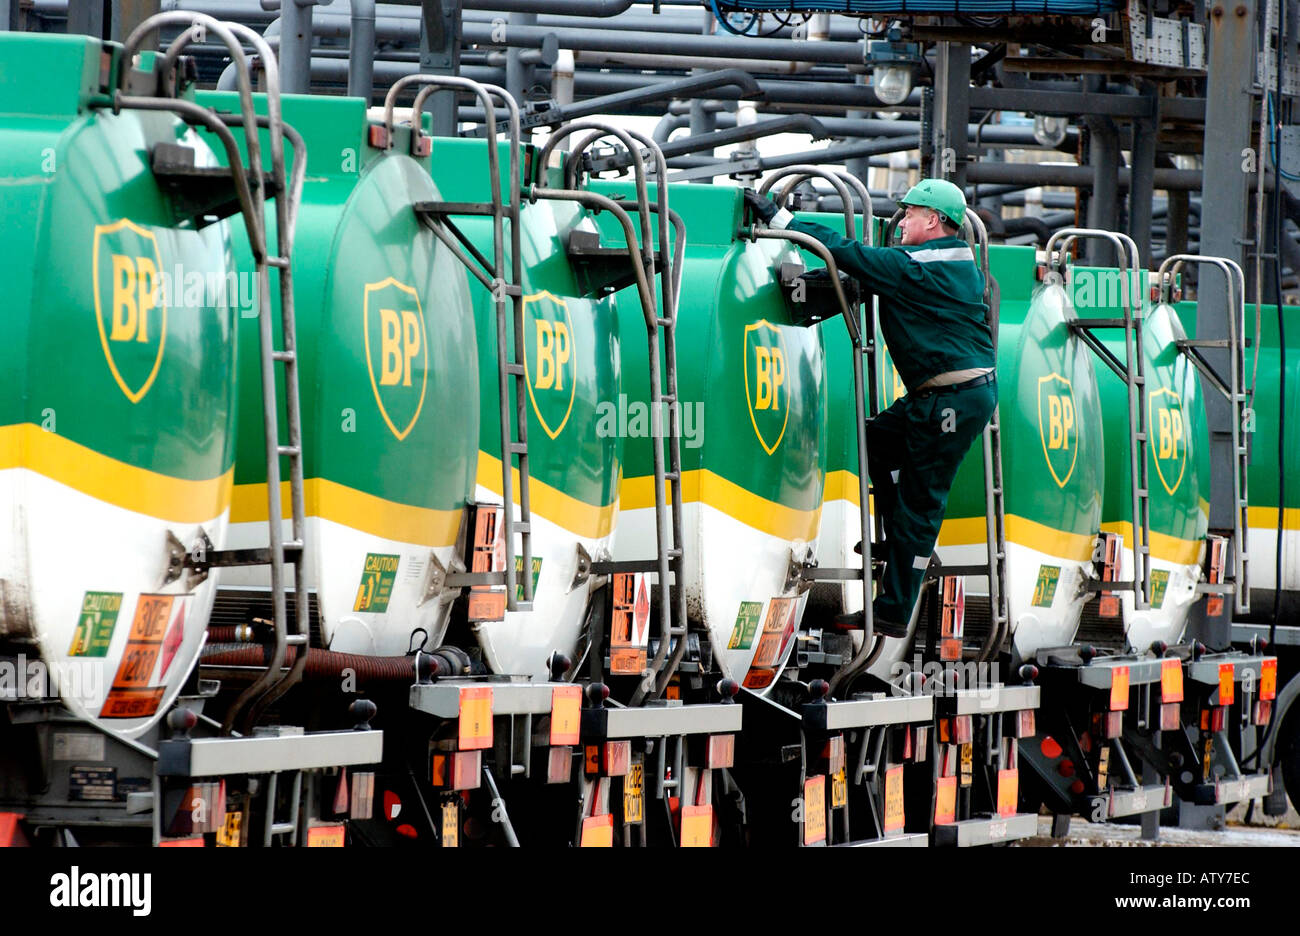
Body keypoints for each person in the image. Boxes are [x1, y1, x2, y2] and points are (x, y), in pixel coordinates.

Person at [744, 179, 997, 638]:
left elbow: (856, 256)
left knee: (923, 504)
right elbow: (867, 277)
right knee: (873, 445)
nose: (900, 222)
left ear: (935, 221)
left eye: (911, 214)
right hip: (941, 396)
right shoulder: (942, 265)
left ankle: (895, 610)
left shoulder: (924, 266)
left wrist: (783, 222)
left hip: (950, 400)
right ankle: (898, 539)